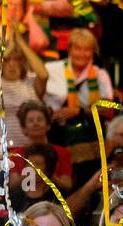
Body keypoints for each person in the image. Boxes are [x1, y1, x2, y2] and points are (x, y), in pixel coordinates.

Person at [43, 28, 114, 185]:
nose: (82, 54)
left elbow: (107, 110)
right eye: (77, 48)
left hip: (89, 145)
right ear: (69, 49)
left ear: (93, 52)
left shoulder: (100, 75)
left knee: (87, 183)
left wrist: (79, 111)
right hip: (58, 138)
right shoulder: (52, 70)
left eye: (87, 49)